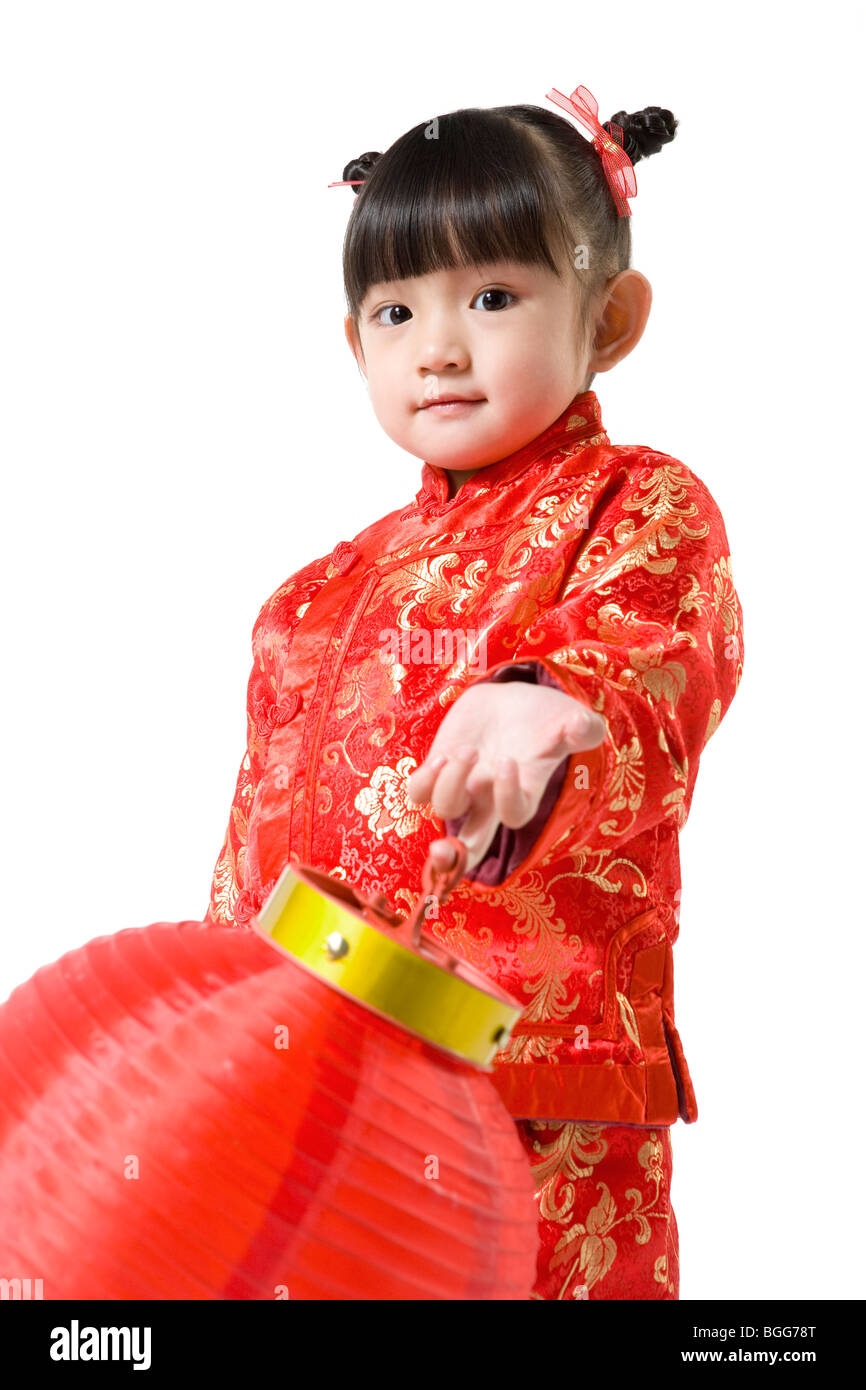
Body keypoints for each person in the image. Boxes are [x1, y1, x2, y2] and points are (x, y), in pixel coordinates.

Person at [204, 84, 744, 1300]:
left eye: (492, 298)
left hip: (534, 1097)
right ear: (357, 343)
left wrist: (547, 694)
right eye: (396, 310)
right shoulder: (312, 596)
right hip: (317, 1097)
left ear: (607, 319)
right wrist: (208, 1017)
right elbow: (248, 855)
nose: (438, 346)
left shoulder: (634, 508)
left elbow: (654, 656)